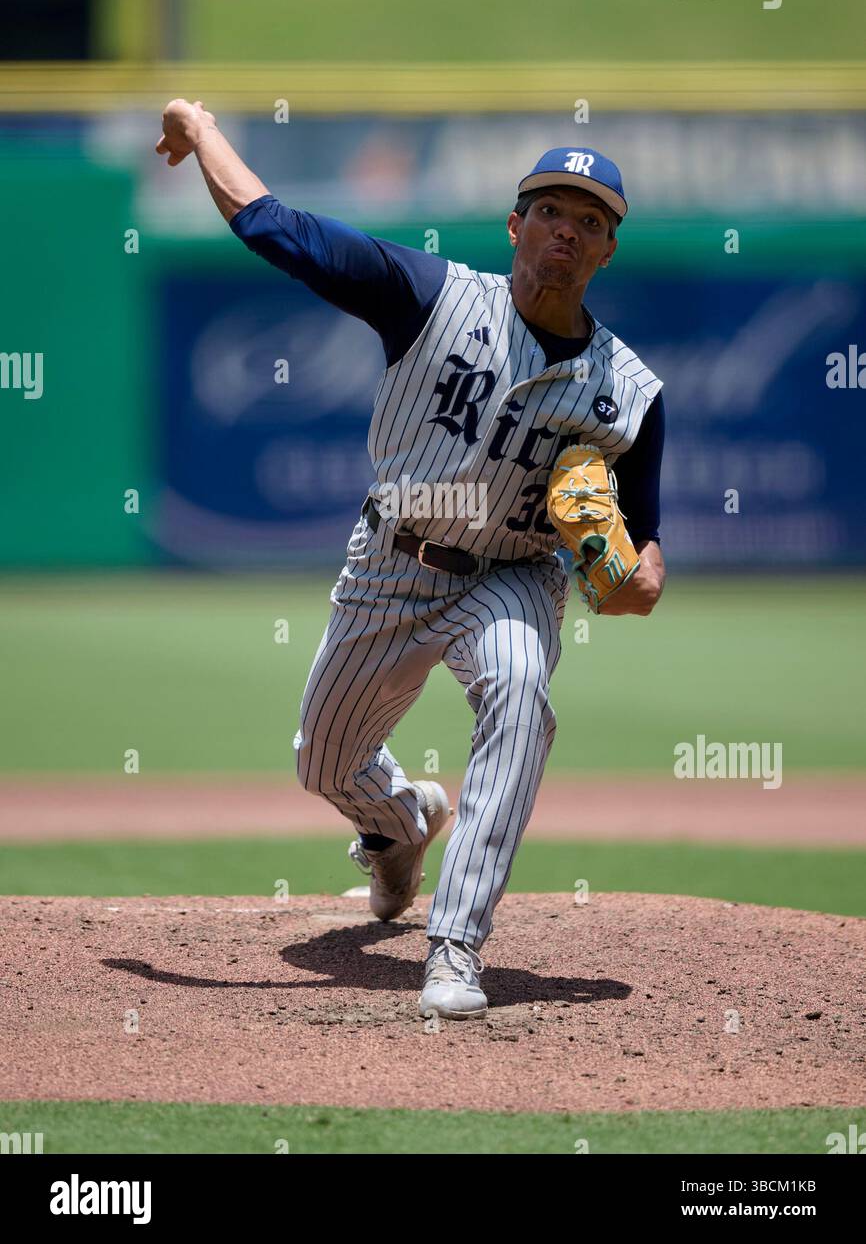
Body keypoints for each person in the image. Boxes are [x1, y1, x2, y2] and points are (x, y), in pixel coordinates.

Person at [156, 101, 666, 1020]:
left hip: (511, 574)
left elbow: (645, 579)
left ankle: (457, 946)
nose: (568, 230)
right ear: (516, 226)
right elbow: (278, 227)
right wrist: (199, 129)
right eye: (552, 209)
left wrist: (621, 578)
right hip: (391, 559)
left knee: (521, 691)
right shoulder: (429, 296)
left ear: (606, 251)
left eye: (591, 220)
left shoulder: (628, 395)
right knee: (325, 763)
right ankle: (402, 825)